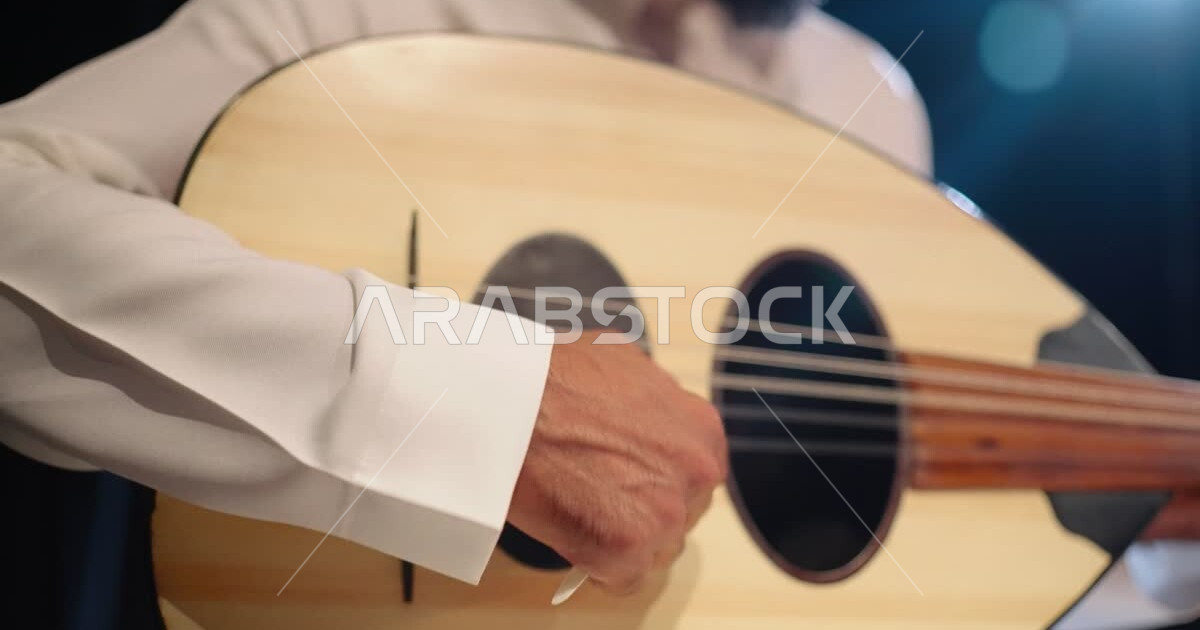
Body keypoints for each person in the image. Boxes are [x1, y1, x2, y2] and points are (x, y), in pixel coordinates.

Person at [14, 0, 1188, 628]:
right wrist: (479, 407)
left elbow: (865, 576)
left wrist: (1148, 534)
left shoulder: (872, 99)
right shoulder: (353, 14)